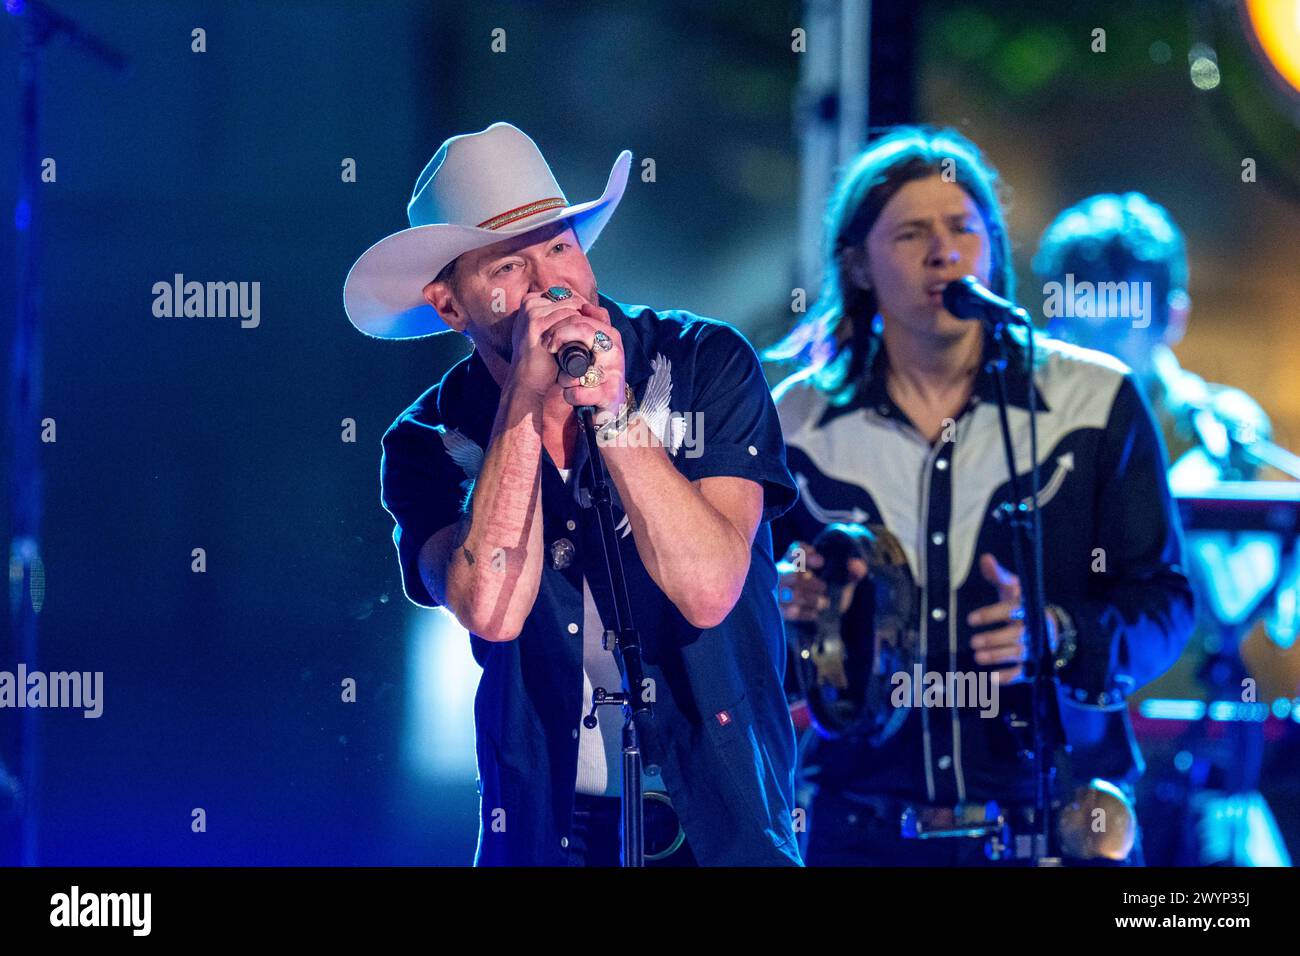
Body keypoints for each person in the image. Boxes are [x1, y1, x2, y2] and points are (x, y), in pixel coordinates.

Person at [345, 122, 802, 866]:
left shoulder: (703, 361)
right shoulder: (428, 441)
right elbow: (490, 611)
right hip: (547, 822)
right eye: (509, 266)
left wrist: (612, 410)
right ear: (450, 306)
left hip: (724, 816)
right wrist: (524, 410)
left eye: (560, 246)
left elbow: (711, 589)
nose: (552, 283)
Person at [764, 126, 1195, 866]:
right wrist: (782, 609)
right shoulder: (796, 421)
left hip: (1046, 821)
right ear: (857, 265)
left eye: (965, 228)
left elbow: (1166, 602)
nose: (945, 251)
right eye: (911, 233)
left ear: (992, 249)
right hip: (858, 828)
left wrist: (1059, 634)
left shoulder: (1094, 400)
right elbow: (737, 628)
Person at [1034, 192, 1299, 866]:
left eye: (1112, 327)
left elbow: (1266, 617)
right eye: (1074, 322)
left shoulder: (1215, 433)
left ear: (1169, 319)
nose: (1086, 351)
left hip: (1195, 749)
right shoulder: (1011, 434)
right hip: (1060, 754)